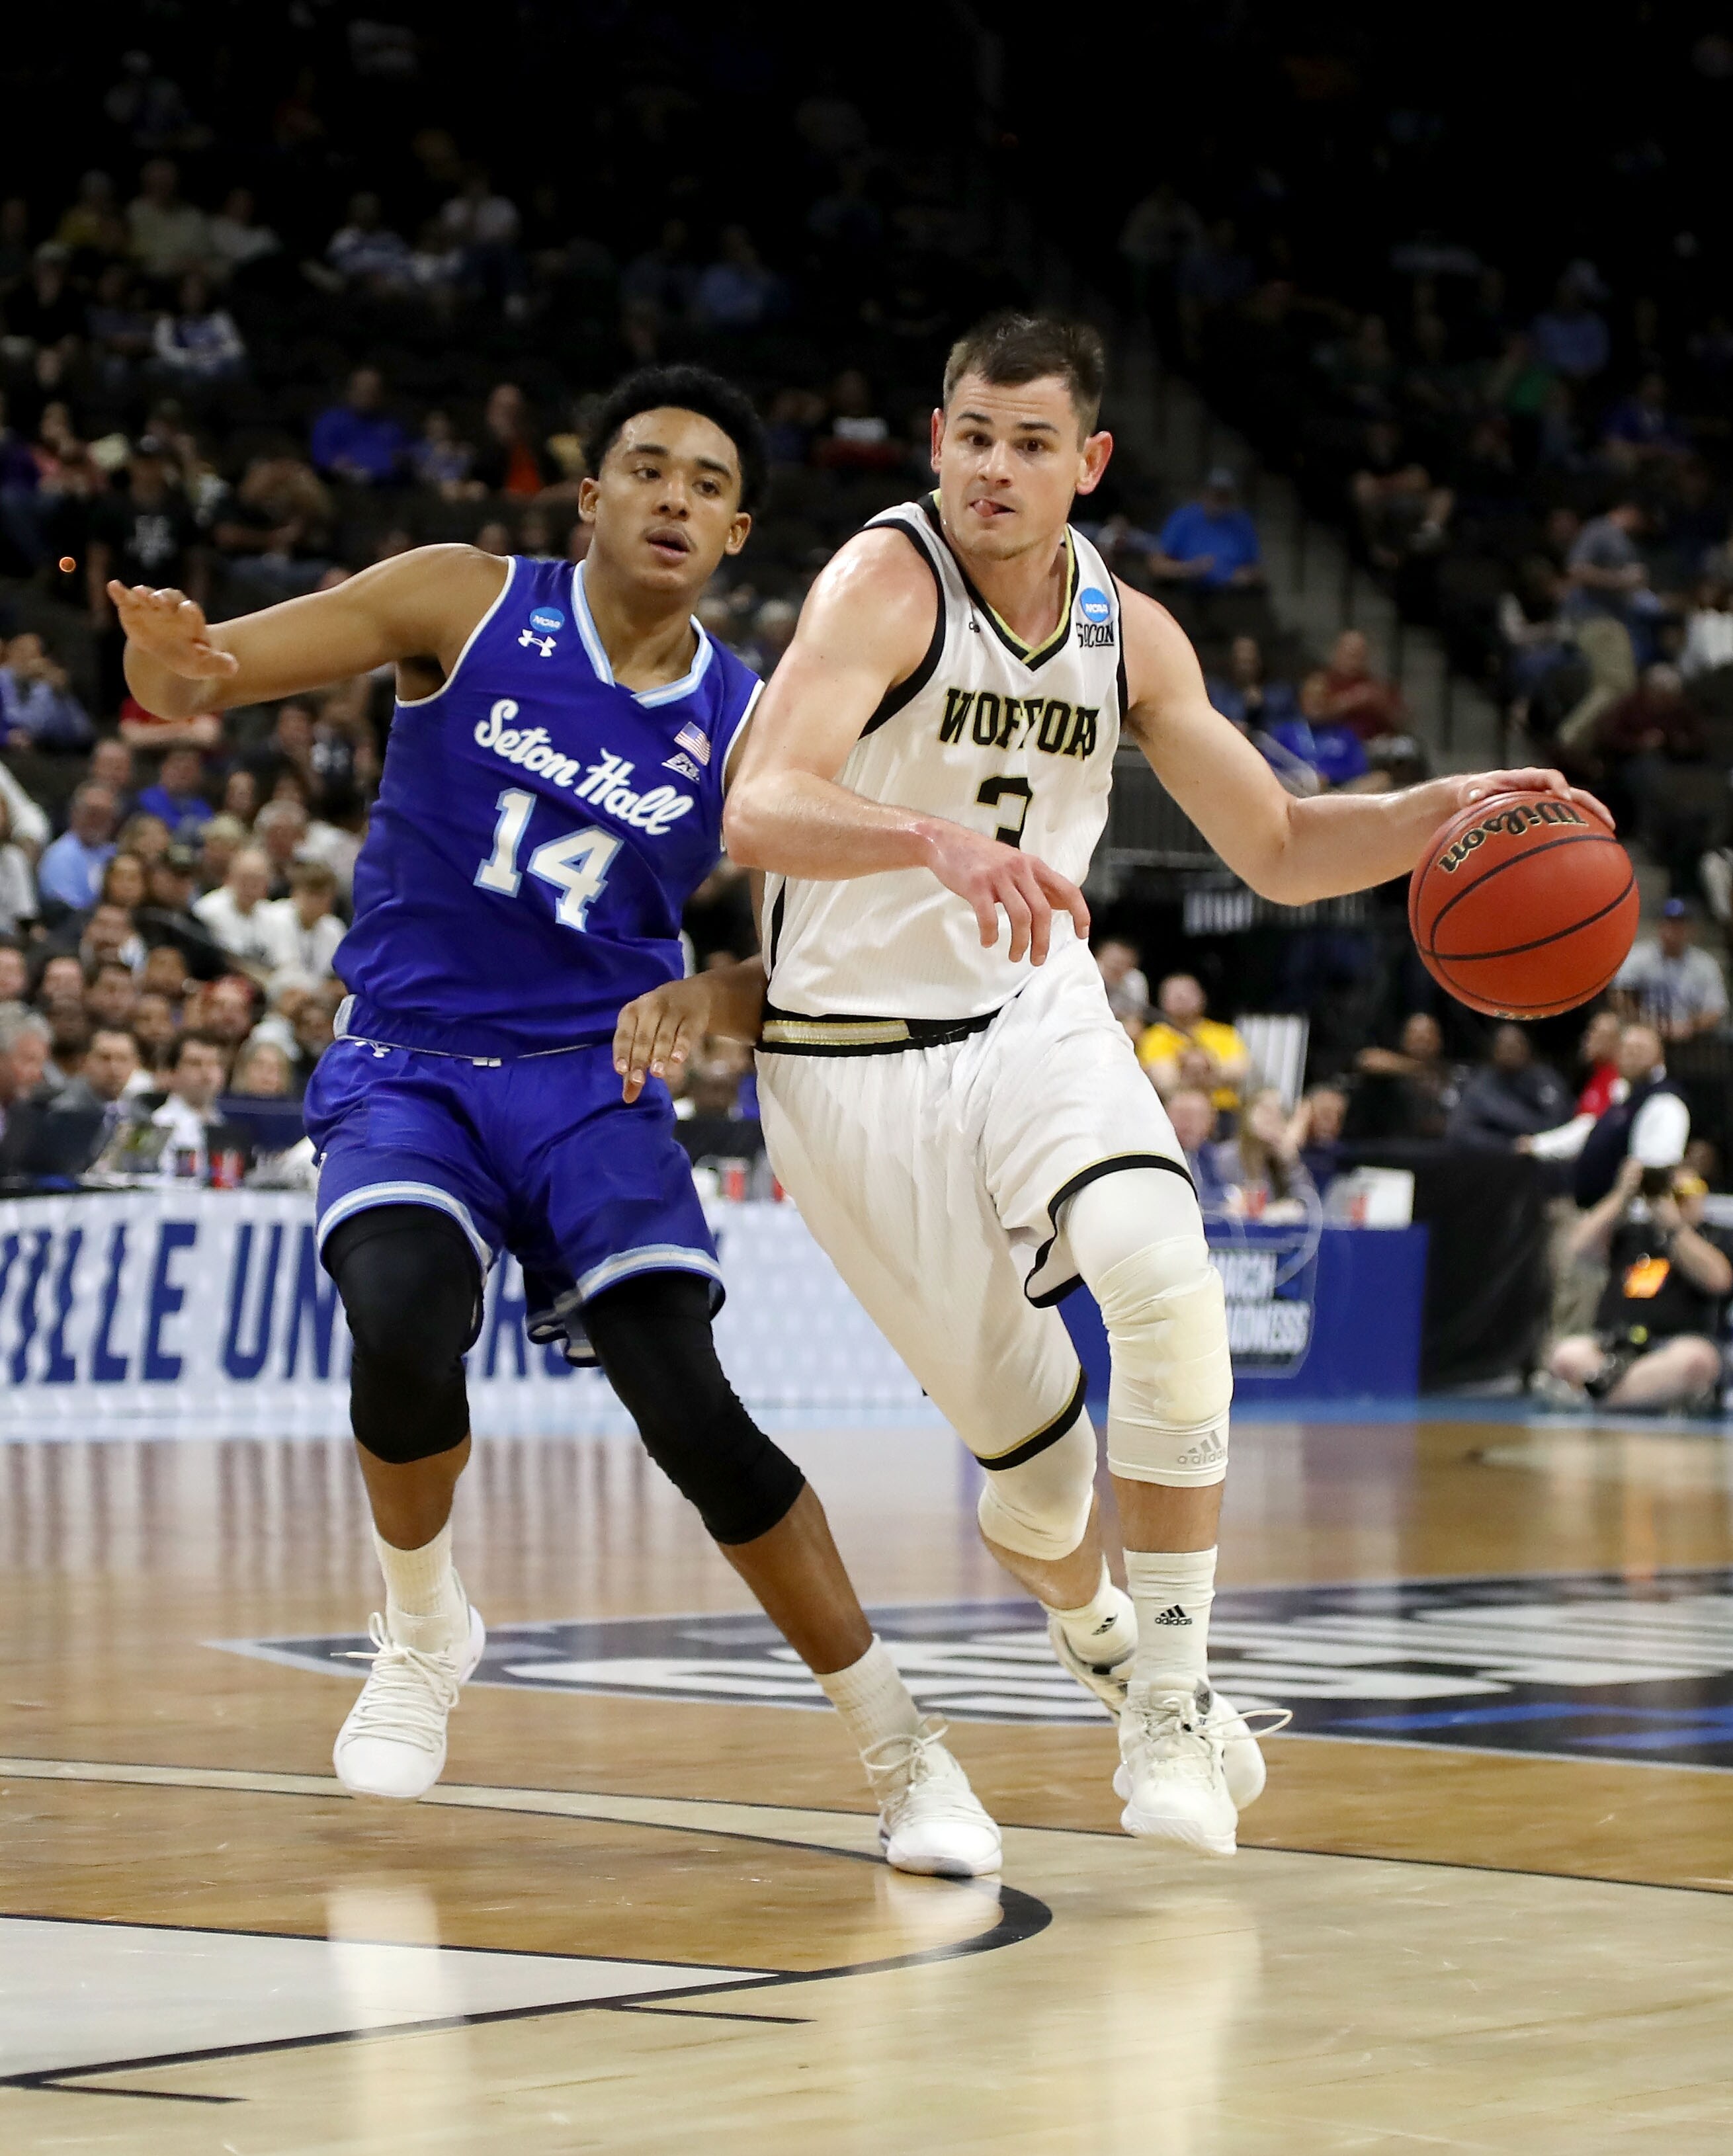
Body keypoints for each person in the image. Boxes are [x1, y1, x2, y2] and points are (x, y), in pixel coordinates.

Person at [713, 308, 1576, 1853]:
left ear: (1089, 464)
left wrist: (1436, 806)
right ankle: (1106, 1637)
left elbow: (1282, 845)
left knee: (1166, 1279)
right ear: (935, 440)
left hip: (1032, 1007)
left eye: (1030, 442)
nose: (994, 465)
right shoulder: (882, 579)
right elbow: (761, 802)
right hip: (848, 1057)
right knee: (1038, 1493)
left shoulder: (1134, 632)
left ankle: (1171, 1711)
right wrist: (924, 837)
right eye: (972, 434)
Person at [108, 362, 983, 1878]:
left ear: (735, 534)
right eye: (645, 468)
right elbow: (210, 681)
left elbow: (834, 967)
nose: (672, 498)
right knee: (395, 1309)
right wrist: (173, 662)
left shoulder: (747, 728)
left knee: (692, 1415)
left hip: (594, 1083)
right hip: (413, 1062)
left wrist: (711, 997)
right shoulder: (463, 598)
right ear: (590, 496)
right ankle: (422, 1624)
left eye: (706, 485)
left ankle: (906, 1747)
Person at [1545, 1162, 1731, 1412]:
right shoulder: (1634, 1234)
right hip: (1615, 1350)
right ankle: (1634, 1396)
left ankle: (1604, 1398)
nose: (1676, 1202)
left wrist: (1673, 1227)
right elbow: (1579, 1248)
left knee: (1696, 1360)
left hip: (1674, 1348)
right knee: (1568, 1354)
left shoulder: (1715, 1236)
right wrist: (1622, 1195)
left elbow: (1718, 1279)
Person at [1524, 1022, 1689, 1204]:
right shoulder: (1624, 1095)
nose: (1631, 1056)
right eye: (1626, 1049)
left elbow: (1656, 1171)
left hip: (1628, 1219)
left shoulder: (1664, 1102)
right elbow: (1588, 1130)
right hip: (1593, 1207)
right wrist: (1538, 1145)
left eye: (1639, 1050)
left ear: (1659, 1057)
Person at [1611, 897, 1727, 1038]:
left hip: (1692, 1039)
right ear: (1660, 926)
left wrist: (1688, 1026)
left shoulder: (1705, 964)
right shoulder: (1638, 957)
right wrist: (1647, 1025)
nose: (1674, 930)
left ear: (1692, 929)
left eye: (1680, 924)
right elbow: (1619, 995)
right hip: (1643, 1033)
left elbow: (1716, 1010)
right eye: (1670, 923)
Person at [1137, 973, 1249, 1114]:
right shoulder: (1152, 1037)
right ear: (1162, 1001)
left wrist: (1205, 1064)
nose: (1182, 997)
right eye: (1175, 994)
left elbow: (1238, 1071)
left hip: (1223, 1111)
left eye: (1188, 992)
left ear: (1202, 997)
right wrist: (1212, 1074)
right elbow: (1164, 1081)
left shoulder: (1225, 1033)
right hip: (1174, 1113)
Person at [1446, 1025, 1573, 1149]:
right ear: (1495, 1051)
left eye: (1517, 1045)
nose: (1512, 1052)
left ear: (1527, 1048)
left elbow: (1563, 1120)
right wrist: (1509, 1144)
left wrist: (1537, 1142)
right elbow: (1460, 1131)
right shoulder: (1481, 1087)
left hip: (1549, 1152)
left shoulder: (1545, 1078)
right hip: (1500, 1158)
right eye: (1507, 1047)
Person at [1209, 1087, 1317, 1220]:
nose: (1272, 1117)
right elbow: (1216, 1203)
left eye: (1279, 1113)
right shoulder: (1225, 1156)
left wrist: (1291, 1161)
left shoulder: (1281, 1159)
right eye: (1265, 1109)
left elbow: (1311, 1207)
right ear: (1247, 1114)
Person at [1148, 467, 1263, 589]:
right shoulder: (1183, 518)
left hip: (1231, 595)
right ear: (1205, 493)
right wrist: (1190, 569)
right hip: (1186, 592)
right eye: (1216, 494)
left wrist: (1244, 576)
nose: (1220, 500)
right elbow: (1156, 565)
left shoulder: (1241, 523)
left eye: (1225, 495)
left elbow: (1258, 570)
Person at [1353, 1012, 1462, 1139]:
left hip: (1445, 1145)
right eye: (1417, 1037)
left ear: (1439, 1040)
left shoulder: (1452, 1073)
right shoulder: (1391, 1070)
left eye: (1428, 1036)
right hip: (1400, 1145)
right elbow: (1365, 1060)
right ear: (1404, 1039)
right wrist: (1418, 1067)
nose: (1423, 1042)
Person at [310, 368, 407, 487]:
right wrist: (337, 465)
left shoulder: (391, 425)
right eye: (362, 390)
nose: (367, 396)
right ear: (349, 391)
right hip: (343, 487)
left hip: (387, 488)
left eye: (373, 391)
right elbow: (322, 456)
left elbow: (402, 456)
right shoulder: (330, 421)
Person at [37, 784, 118, 913]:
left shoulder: (115, 852)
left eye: (106, 815)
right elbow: (63, 910)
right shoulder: (60, 856)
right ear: (75, 813)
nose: (99, 820)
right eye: (92, 813)